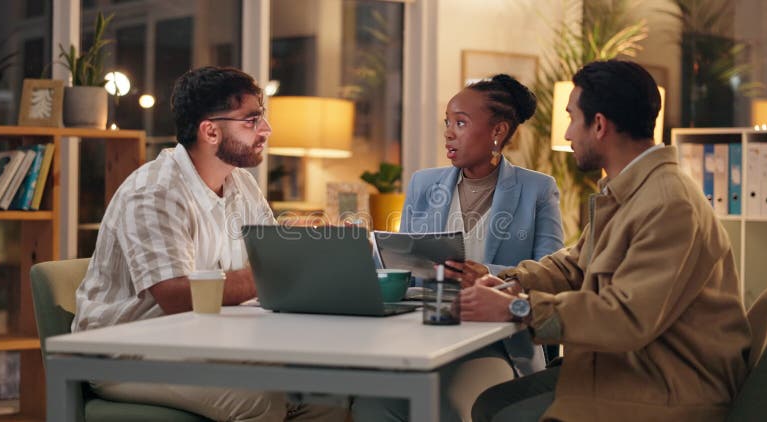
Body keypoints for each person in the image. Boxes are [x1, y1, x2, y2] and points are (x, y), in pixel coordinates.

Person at [465, 60, 751, 422]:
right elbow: (574, 264)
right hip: (626, 368)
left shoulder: (668, 203)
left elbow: (625, 319)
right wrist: (509, 283)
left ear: (599, 125)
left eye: (571, 118)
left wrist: (517, 309)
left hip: (664, 386)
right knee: (489, 404)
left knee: (501, 413)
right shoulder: (630, 191)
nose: (567, 134)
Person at [72, 66, 346, 422]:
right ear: (211, 131)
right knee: (261, 401)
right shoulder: (155, 191)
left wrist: (309, 248)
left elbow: (271, 255)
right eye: (251, 120)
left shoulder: (242, 185)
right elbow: (176, 296)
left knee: (328, 394)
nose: (266, 130)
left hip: (204, 341)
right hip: (128, 351)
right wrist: (281, 270)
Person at [354, 74, 564, 421]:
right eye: (447, 123)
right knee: (373, 405)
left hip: (495, 342)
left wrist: (488, 275)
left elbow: (550, 271)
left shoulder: (537, 189)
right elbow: (402, 268)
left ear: (498, 131)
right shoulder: (424, 183)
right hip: (424, 331)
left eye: (461, 123)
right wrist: (373, 258)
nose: (449, 133)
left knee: (448, 405)